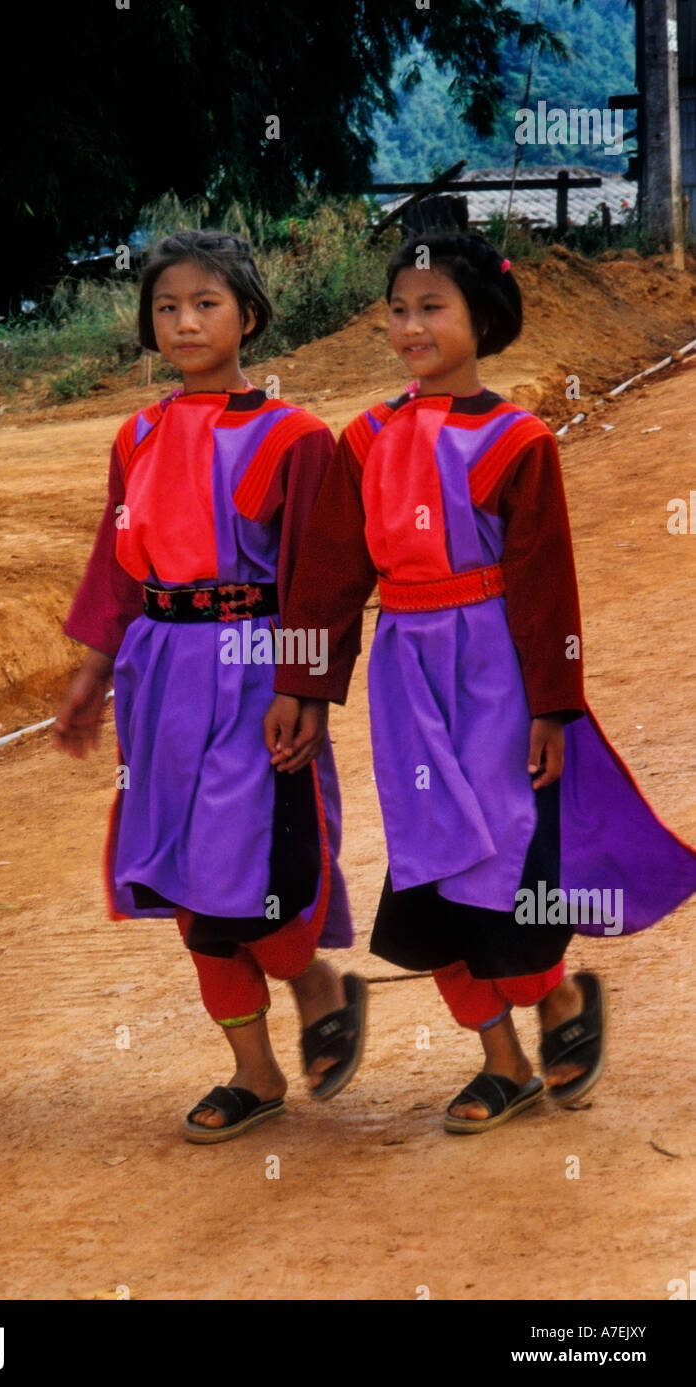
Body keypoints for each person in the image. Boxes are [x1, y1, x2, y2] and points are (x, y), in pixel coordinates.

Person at [266, 232, 696, 1134]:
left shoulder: (516, 440)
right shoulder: (366, 438)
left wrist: (552, 709)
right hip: (406, 678)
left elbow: (546, 590)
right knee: (428, 872)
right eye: (398, 308)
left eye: (433, 307)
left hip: (495, 674)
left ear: (481, 321)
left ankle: (560, 1005)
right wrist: (301, 685)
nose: (411, 324)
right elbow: (331, 577)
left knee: (503, 863)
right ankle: (502, 1065)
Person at [53, 230, 366, 1144]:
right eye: (166, 307)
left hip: (253, 670)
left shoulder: (295, 436)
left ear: (249, 318)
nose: (184, 322)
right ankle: (253, 1073)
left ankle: (313, 981)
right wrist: (93, 672)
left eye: (205, 304)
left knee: (256, 868)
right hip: (159, 677)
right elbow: (117, 570)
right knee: (186, 878)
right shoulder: (137, 435)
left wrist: (303, 688)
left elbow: (323, 576)